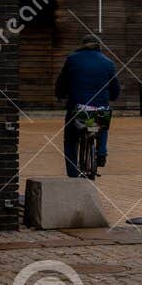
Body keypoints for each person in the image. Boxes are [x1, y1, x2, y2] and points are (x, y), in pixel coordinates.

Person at [55, 35, 121, 179]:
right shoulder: (108, 63)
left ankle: (72, 174)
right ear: (99, 46)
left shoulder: (73, 59)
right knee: (101, 119)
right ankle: (102, 152)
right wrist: (113, 97)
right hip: (99, 110)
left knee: (70, 140)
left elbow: (62, 80)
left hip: (77, 108)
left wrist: (60, 94)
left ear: (83, 45)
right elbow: (115, 87)